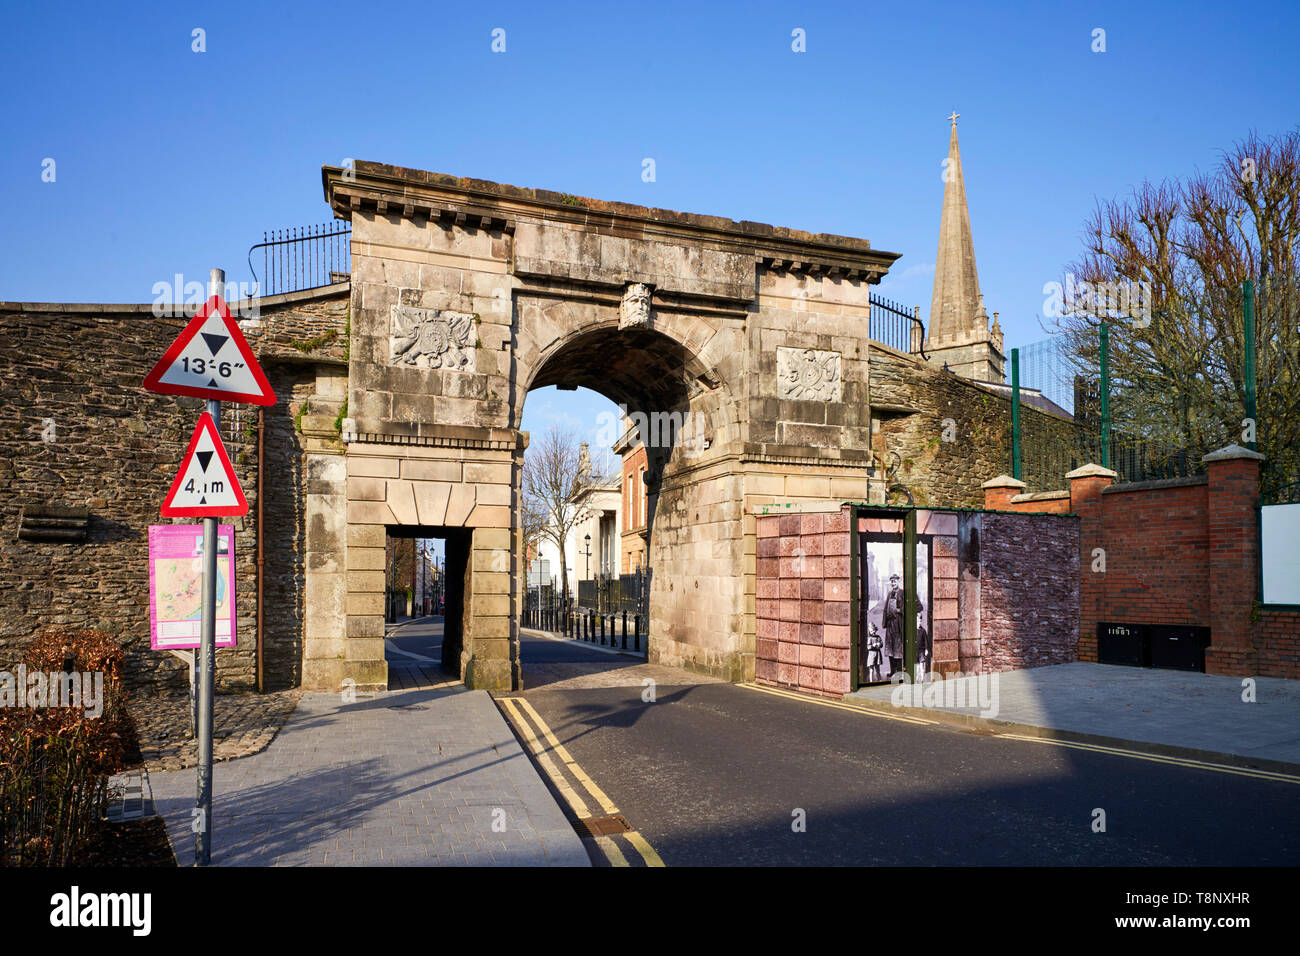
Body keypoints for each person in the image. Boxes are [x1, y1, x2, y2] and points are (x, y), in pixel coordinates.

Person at [882, 573, 905, 677]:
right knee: (890, 648)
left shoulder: (902, 593)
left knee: (898, 648)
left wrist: (898, 610)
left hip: (898, 624)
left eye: (895, 581)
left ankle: (899, 672)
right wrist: (884, 622)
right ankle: (892, 671)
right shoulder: (889, 593)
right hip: (890, 624)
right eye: (891, 581)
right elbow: (885, 608)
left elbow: (906, 607)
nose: (893, 583)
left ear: (898, 582)